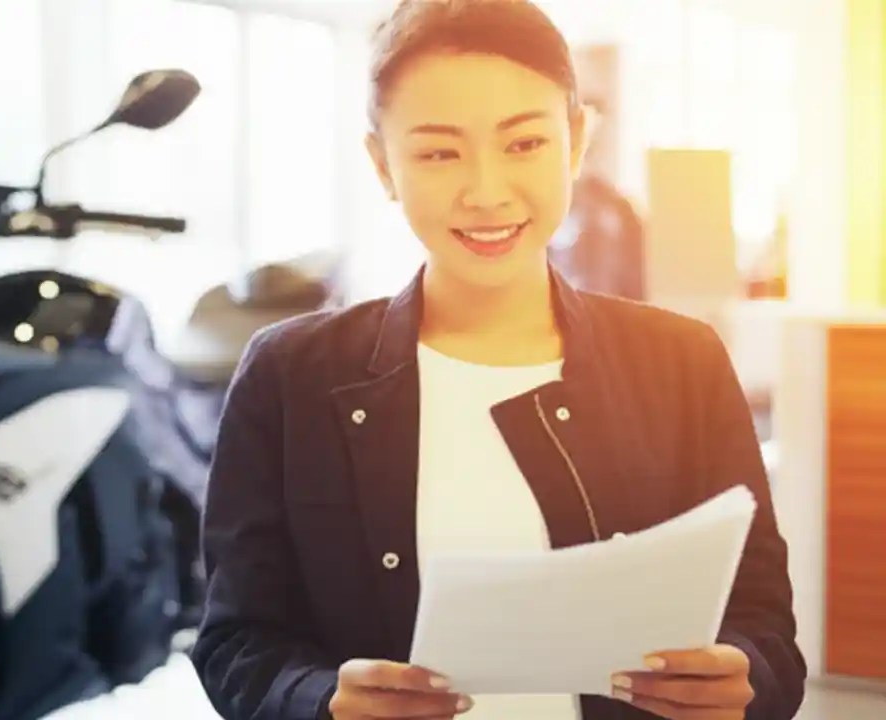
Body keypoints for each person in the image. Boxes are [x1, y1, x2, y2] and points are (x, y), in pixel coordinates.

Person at [190, 1, 806, 719]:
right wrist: (319, 701)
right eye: (438, 152)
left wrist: (744, 682)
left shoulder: (682, 363)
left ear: (576, 142)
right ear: (382, 163)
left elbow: (765, 628)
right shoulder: (291, 375)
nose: (486, 192)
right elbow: (235, 639)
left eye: (523, 144)